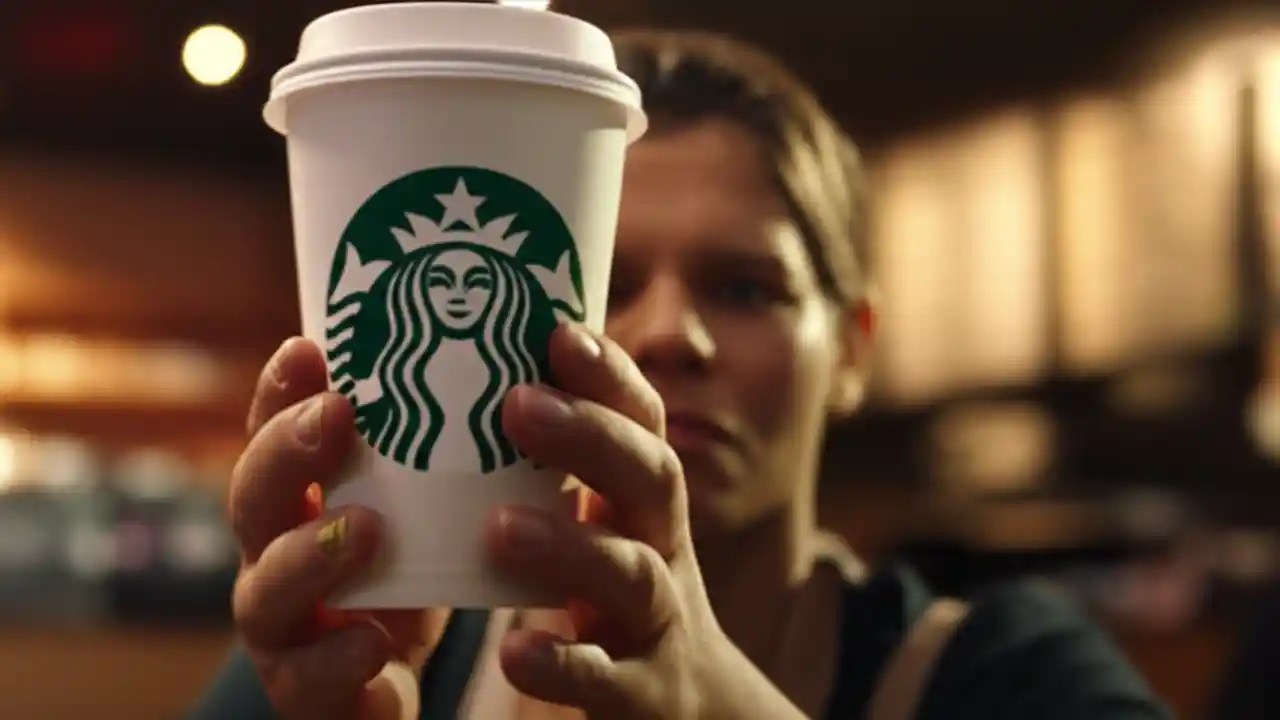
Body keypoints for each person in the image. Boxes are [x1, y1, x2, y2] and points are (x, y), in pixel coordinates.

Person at [192, 30, 1170, 719]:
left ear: (854, 349)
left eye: (744, 289)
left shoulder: (1001, 674)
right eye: (605, 282)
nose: (664, 335)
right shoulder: (373, 649)